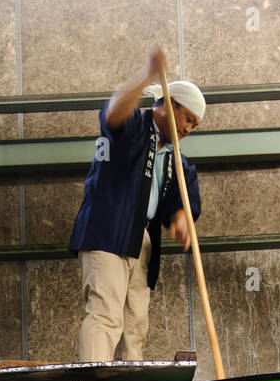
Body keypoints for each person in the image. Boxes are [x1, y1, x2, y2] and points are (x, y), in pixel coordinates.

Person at [70, 48, 204, 362]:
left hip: (141, 242)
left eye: (194, 125)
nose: (188, 128)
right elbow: (114, 112)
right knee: (105, 317)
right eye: (187, 118)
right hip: (108, 230)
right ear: (170, 105)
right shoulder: (134, 128)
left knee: (134, 327)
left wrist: (181, 219)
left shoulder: (179, 163)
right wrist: (147, 75)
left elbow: (181, 205)